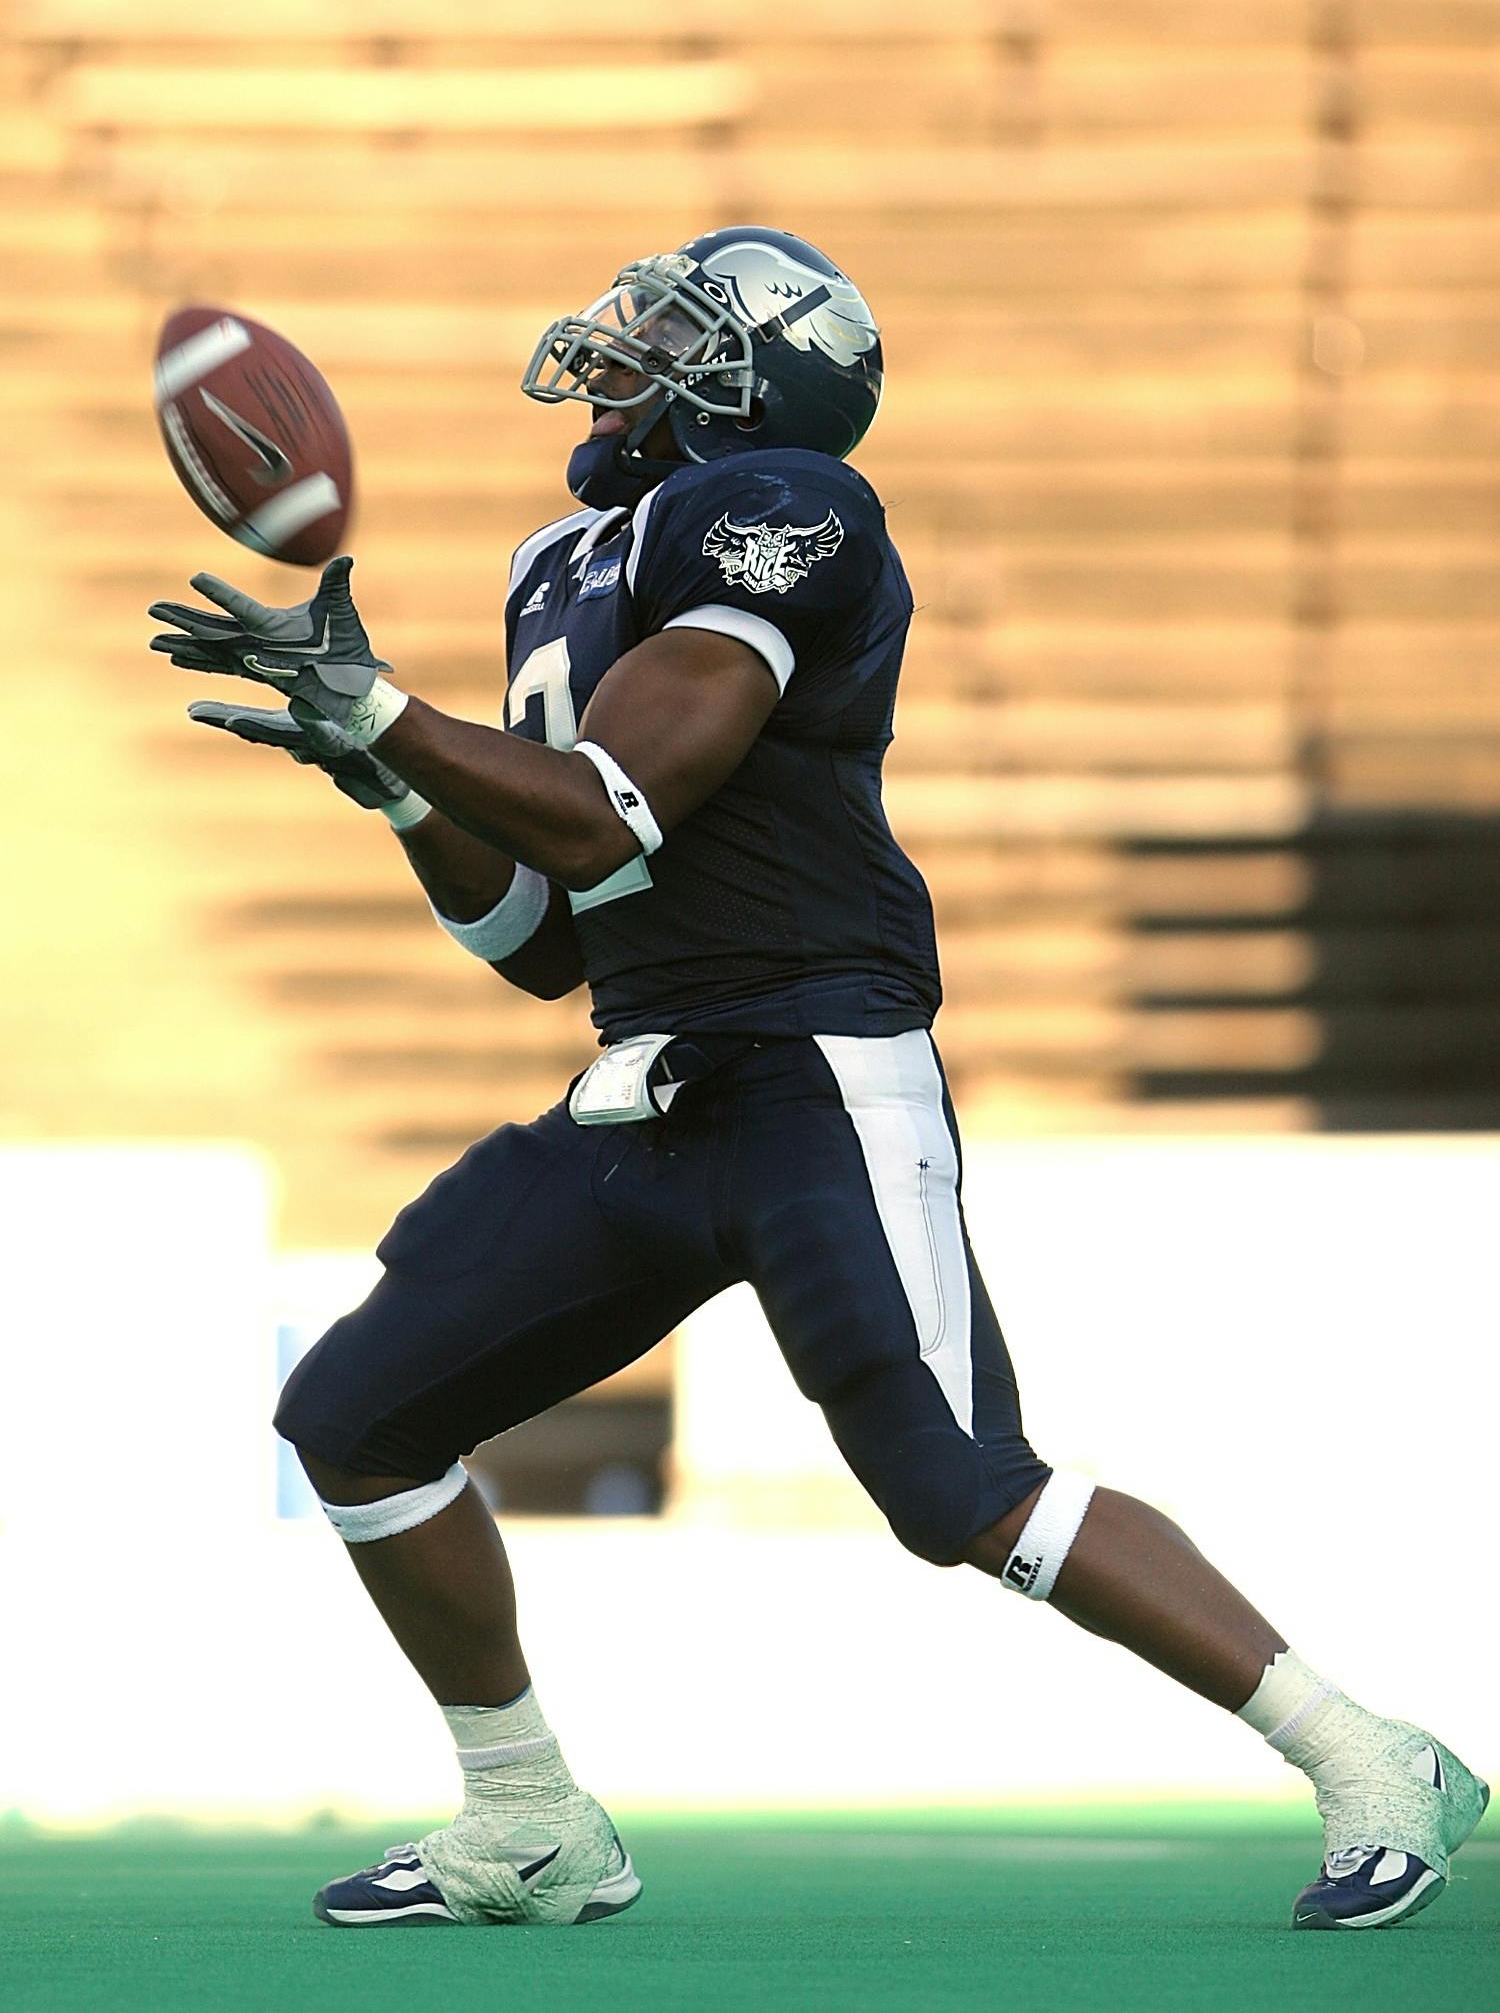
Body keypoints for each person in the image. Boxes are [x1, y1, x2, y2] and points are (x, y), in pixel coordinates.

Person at [150, 227, 1487, 1932]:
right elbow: (542, 932)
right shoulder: (563, 557)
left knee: (959, 1487)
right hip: (649, 1077)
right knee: (354, 1416)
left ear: (760, 377)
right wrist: (385, 771)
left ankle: (1372, 1755)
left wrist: (391, 712)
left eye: (675, 319)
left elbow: (612, 804)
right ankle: (529, 1819)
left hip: (810, 1061)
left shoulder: (784, 504)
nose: (620, 330)